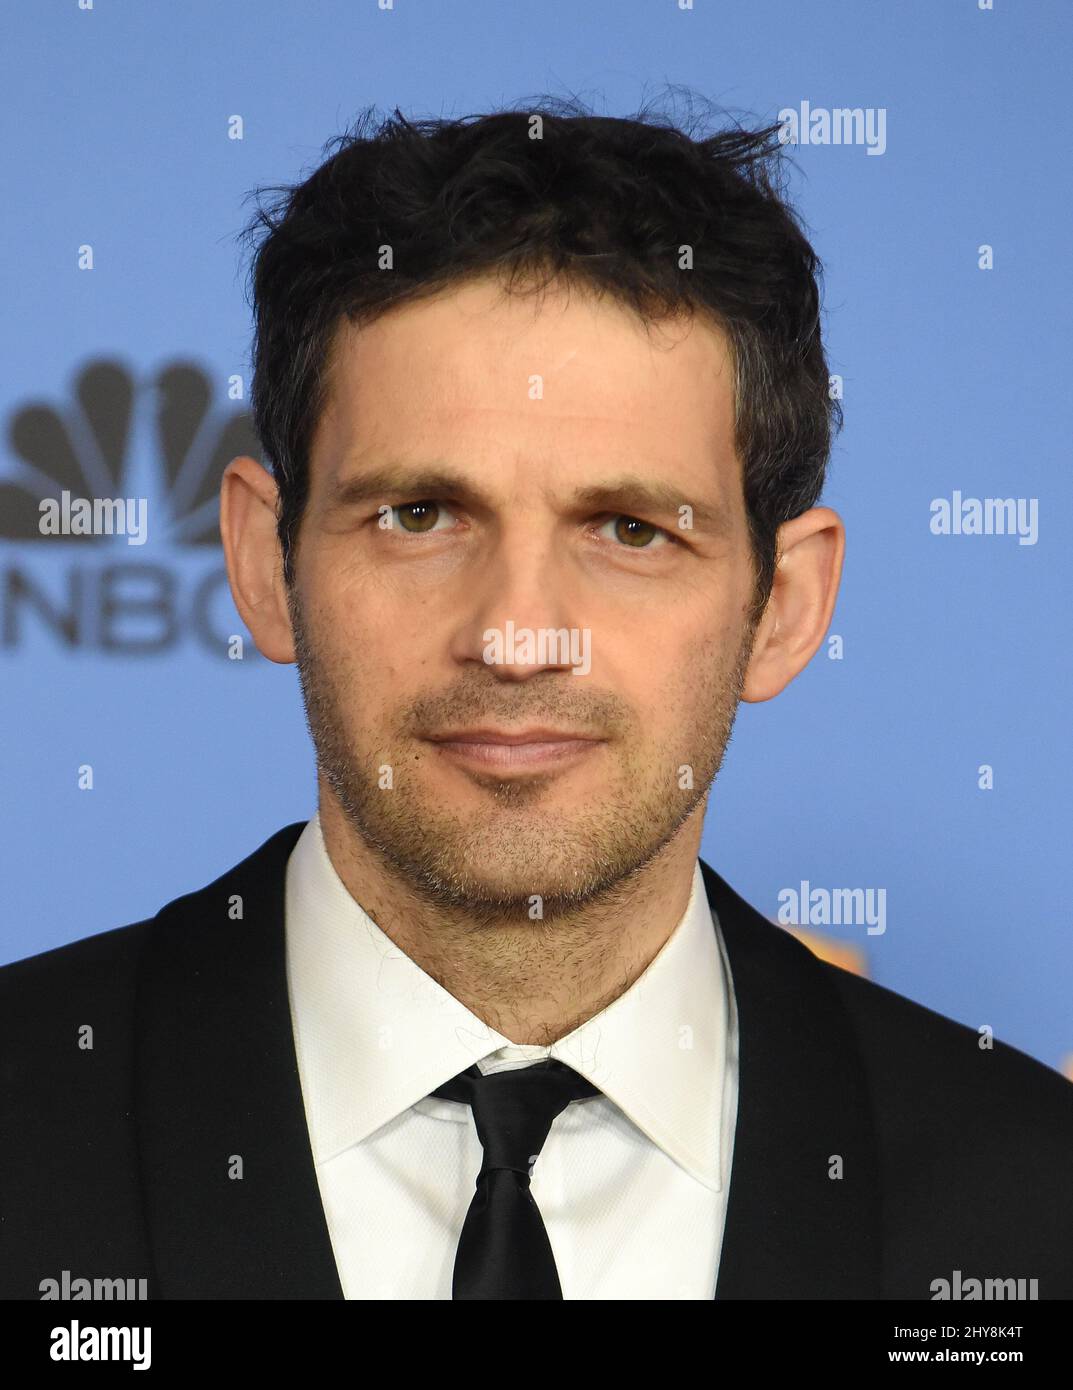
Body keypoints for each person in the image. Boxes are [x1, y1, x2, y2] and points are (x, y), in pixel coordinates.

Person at [3, 99, 1071, 1301]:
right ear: (264, 564)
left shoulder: (1031, 1201)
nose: (516, 635)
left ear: (783, 608)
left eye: (628, 530)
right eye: (419, 516)